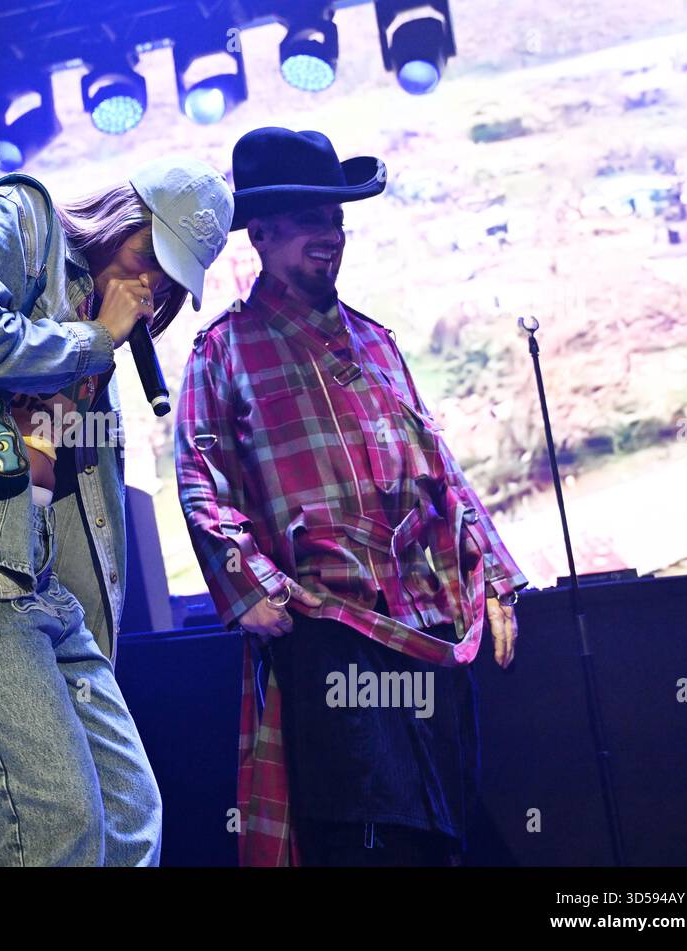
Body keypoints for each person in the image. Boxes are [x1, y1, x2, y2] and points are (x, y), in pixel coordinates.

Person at [0, 158, 233, 865]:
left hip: (37, 586)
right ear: (120, 216)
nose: (149, 283)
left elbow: (87, 525)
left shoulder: (98, 361)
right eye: (147, 254)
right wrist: (94, 342)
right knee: (52, 826)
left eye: (168, 278)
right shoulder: (22, 215)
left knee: (126, 812)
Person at [175, 129, 527, 866]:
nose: (327, 235)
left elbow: (440, 466)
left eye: (334, 218)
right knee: (371, 836)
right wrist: (249, 582)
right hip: (331, 629)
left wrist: (493, 575)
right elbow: (199, 476)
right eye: (307, 219)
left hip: (430, 625)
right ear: (261, 235)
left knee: (447, 828)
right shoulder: (225, 349)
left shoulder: (377, 343)